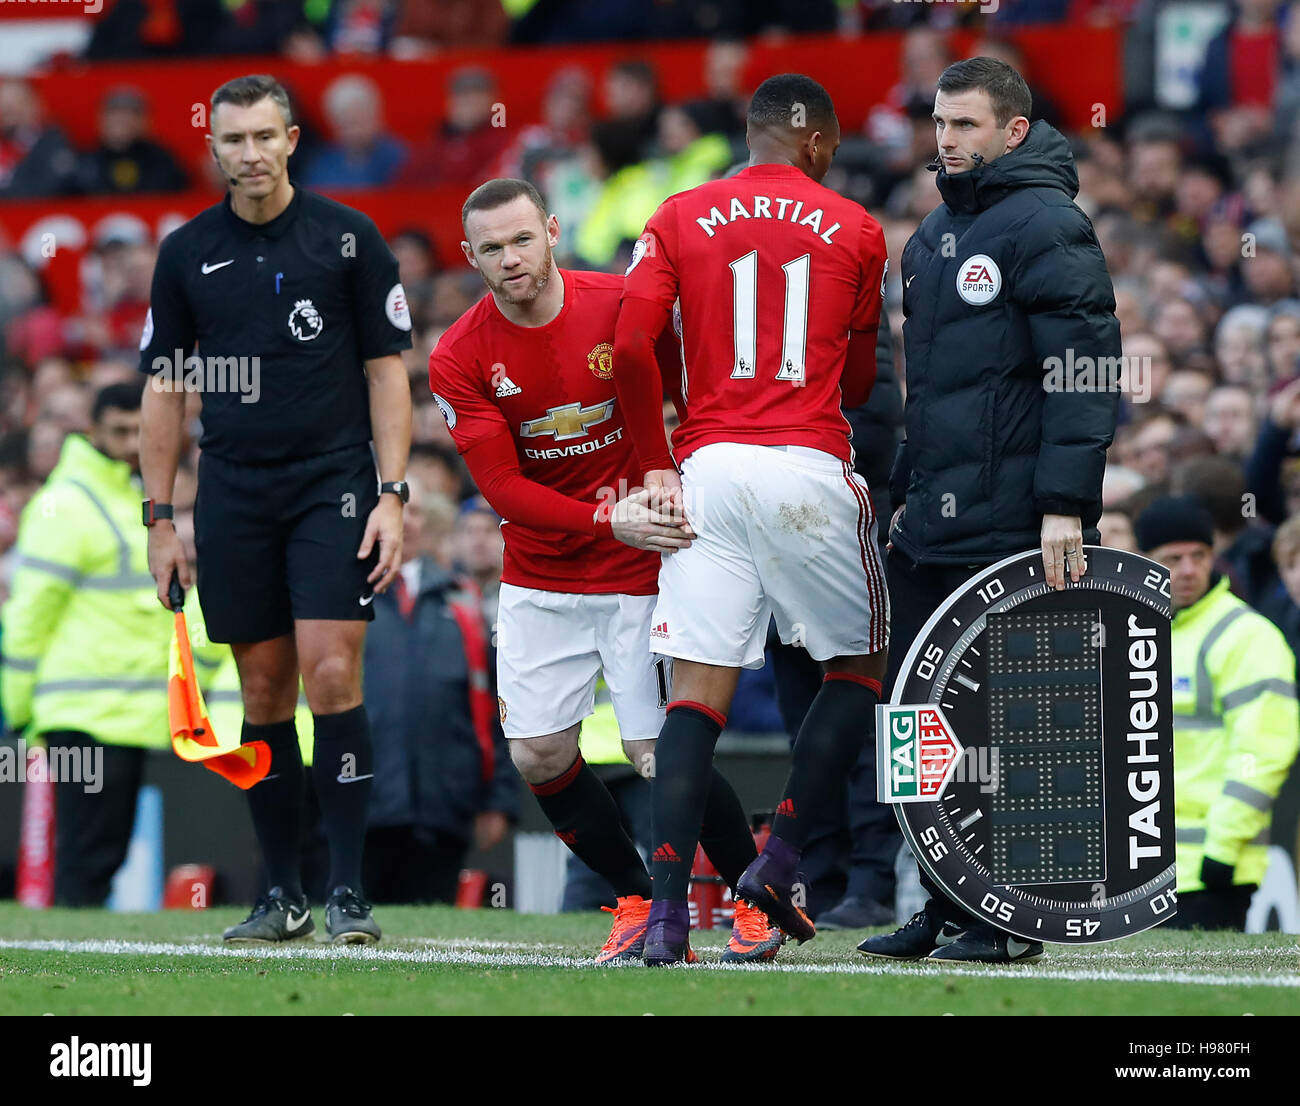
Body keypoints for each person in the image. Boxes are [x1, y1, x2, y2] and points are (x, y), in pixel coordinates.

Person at [429, 177, 781, 965]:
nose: (511, 259)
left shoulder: (620, 302)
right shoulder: (459, 355)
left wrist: (674, 472)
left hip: (644, 565)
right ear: (470, 258)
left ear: (552, 230)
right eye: (492, 249)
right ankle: (628, 896)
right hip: (543, 573)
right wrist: (600, 514)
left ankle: (750, 897)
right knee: (539, 755)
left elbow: (688, 385)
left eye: (523, 239)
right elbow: (503, 491)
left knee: (658, 753)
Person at [613, 73, 890, 965]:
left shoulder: (677, 212)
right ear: (815, 142)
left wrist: (656, 458)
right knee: (859, 670)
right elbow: (857, 380)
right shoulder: (858, 227)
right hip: (806, 463)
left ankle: (664, 918)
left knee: (693, 699)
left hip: (706, 467)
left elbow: (627, 345)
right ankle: (776, 862)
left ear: (752, 133)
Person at [138, 74, 413, 945]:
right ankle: (282, 894)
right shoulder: (185, 254)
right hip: (235, 488)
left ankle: (348, 891)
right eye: (233, 141)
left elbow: (386, 372)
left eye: (265, 136)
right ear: (212, 148)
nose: (250, 154)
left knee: (332, 672)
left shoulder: (349, 237)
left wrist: (394, 495)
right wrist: (159, 517)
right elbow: (166, 390)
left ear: (293, 139)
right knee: (263, 687)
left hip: (333, 481)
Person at [859, 56, 1121, 964]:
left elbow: (1084, 372)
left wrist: (1064, 507)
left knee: (1003, 722)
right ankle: (940, 897)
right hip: (931, 519)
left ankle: (1007, 918)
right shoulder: (931, 234)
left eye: (966, 126)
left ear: (1013, 130)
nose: (947, 141)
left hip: (1014, 519)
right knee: (916, 721)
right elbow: (927, 393)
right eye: (939, 123)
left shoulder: (1048, 224)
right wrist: (901, 495)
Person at [0, 383, 178, 905]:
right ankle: (67, 962)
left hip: (123, 709)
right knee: (87, 853)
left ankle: (73, 951)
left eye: (138, 431)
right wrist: (16, 704)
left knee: (105, 853)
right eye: (119, 430)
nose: (129, 442)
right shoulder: (64, 506)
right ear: (92, 431)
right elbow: (29, 615)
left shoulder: (126, 498)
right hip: (83, 709)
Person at [1135, 496, 1299, 930]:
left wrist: (1221, 850)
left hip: (1207, 875)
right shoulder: (1129, 630)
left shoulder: (1247, 636)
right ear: (1141, 561)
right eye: (1173, 558)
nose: (1188, 570)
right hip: (1136, 871)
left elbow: (1261, 752)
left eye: (1200, 555)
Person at [362, 479, 516, 904]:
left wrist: (499, 799)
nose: (405, 522)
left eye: (414, 512)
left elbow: (492, 707)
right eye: (395, 511)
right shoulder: (347, 598)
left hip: (445, 806)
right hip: (360, 805)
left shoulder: (461, 599)